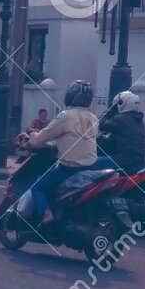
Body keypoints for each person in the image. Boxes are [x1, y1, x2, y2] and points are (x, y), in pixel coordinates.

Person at [13, 80, 99, 225]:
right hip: (90, 166)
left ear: (71, 95)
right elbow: (74, 138)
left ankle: (47, 214)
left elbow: (41, 137)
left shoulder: (66, 116)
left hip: (69, 168)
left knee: (37, 188)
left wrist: (30, 141)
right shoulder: (93, 118)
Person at [98, 89, 145, 174]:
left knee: (92, 163)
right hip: (138, 160)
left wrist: (109, 111)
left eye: (117, 104)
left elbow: (102, 124)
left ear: (123, 104)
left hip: (123, 160)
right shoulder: (138, 120)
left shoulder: (120, 119)